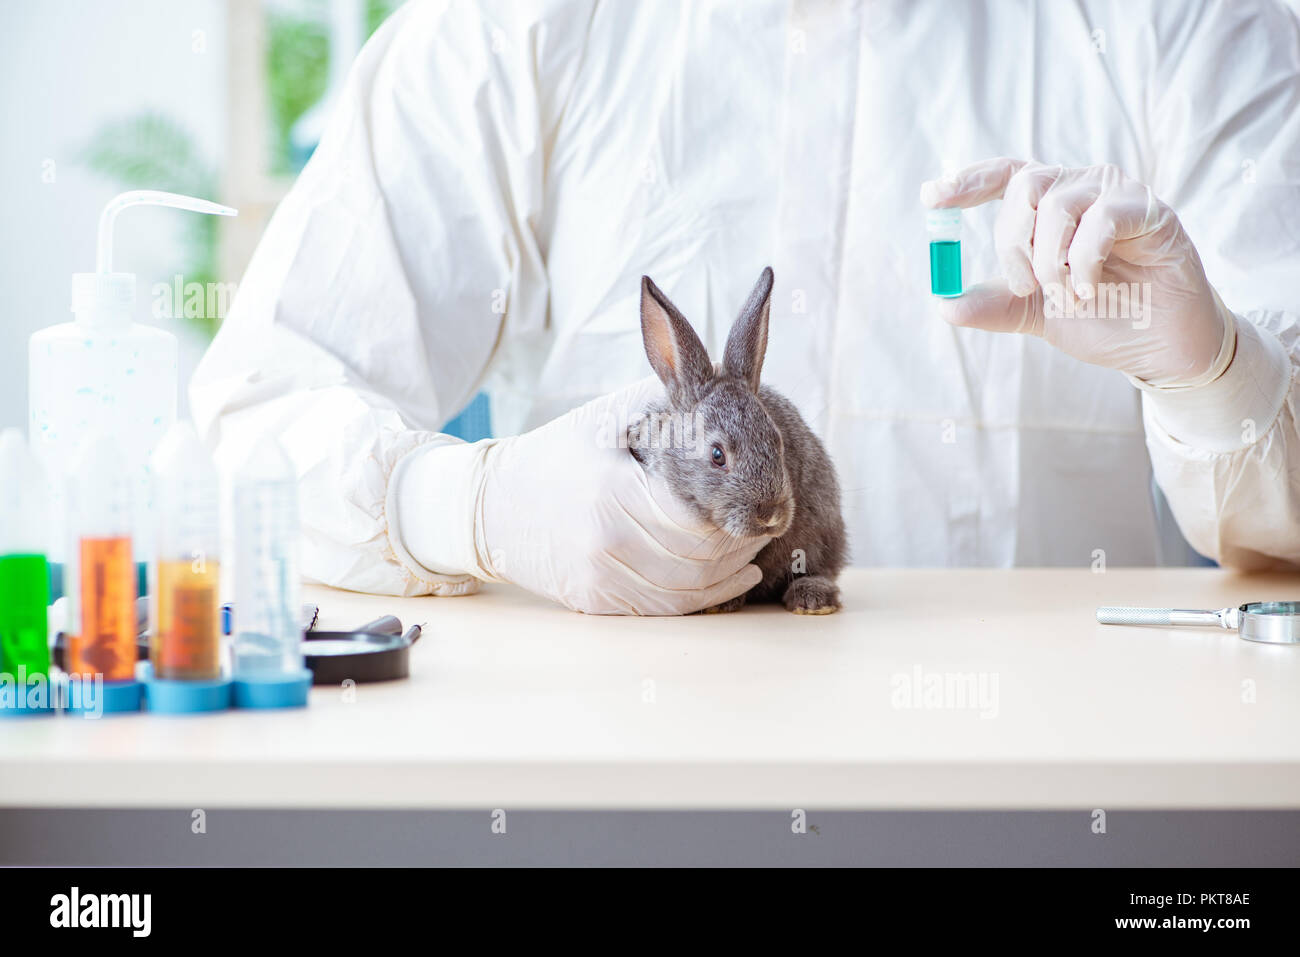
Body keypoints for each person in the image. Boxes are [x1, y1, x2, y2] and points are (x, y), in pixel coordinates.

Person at [191, 0, 1300, 614]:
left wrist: (1213, 372)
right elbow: (249, 426)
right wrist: (470, 507)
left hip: (1044, 808)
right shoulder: (504, 31)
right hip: (623, 795)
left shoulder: (1185, 26)